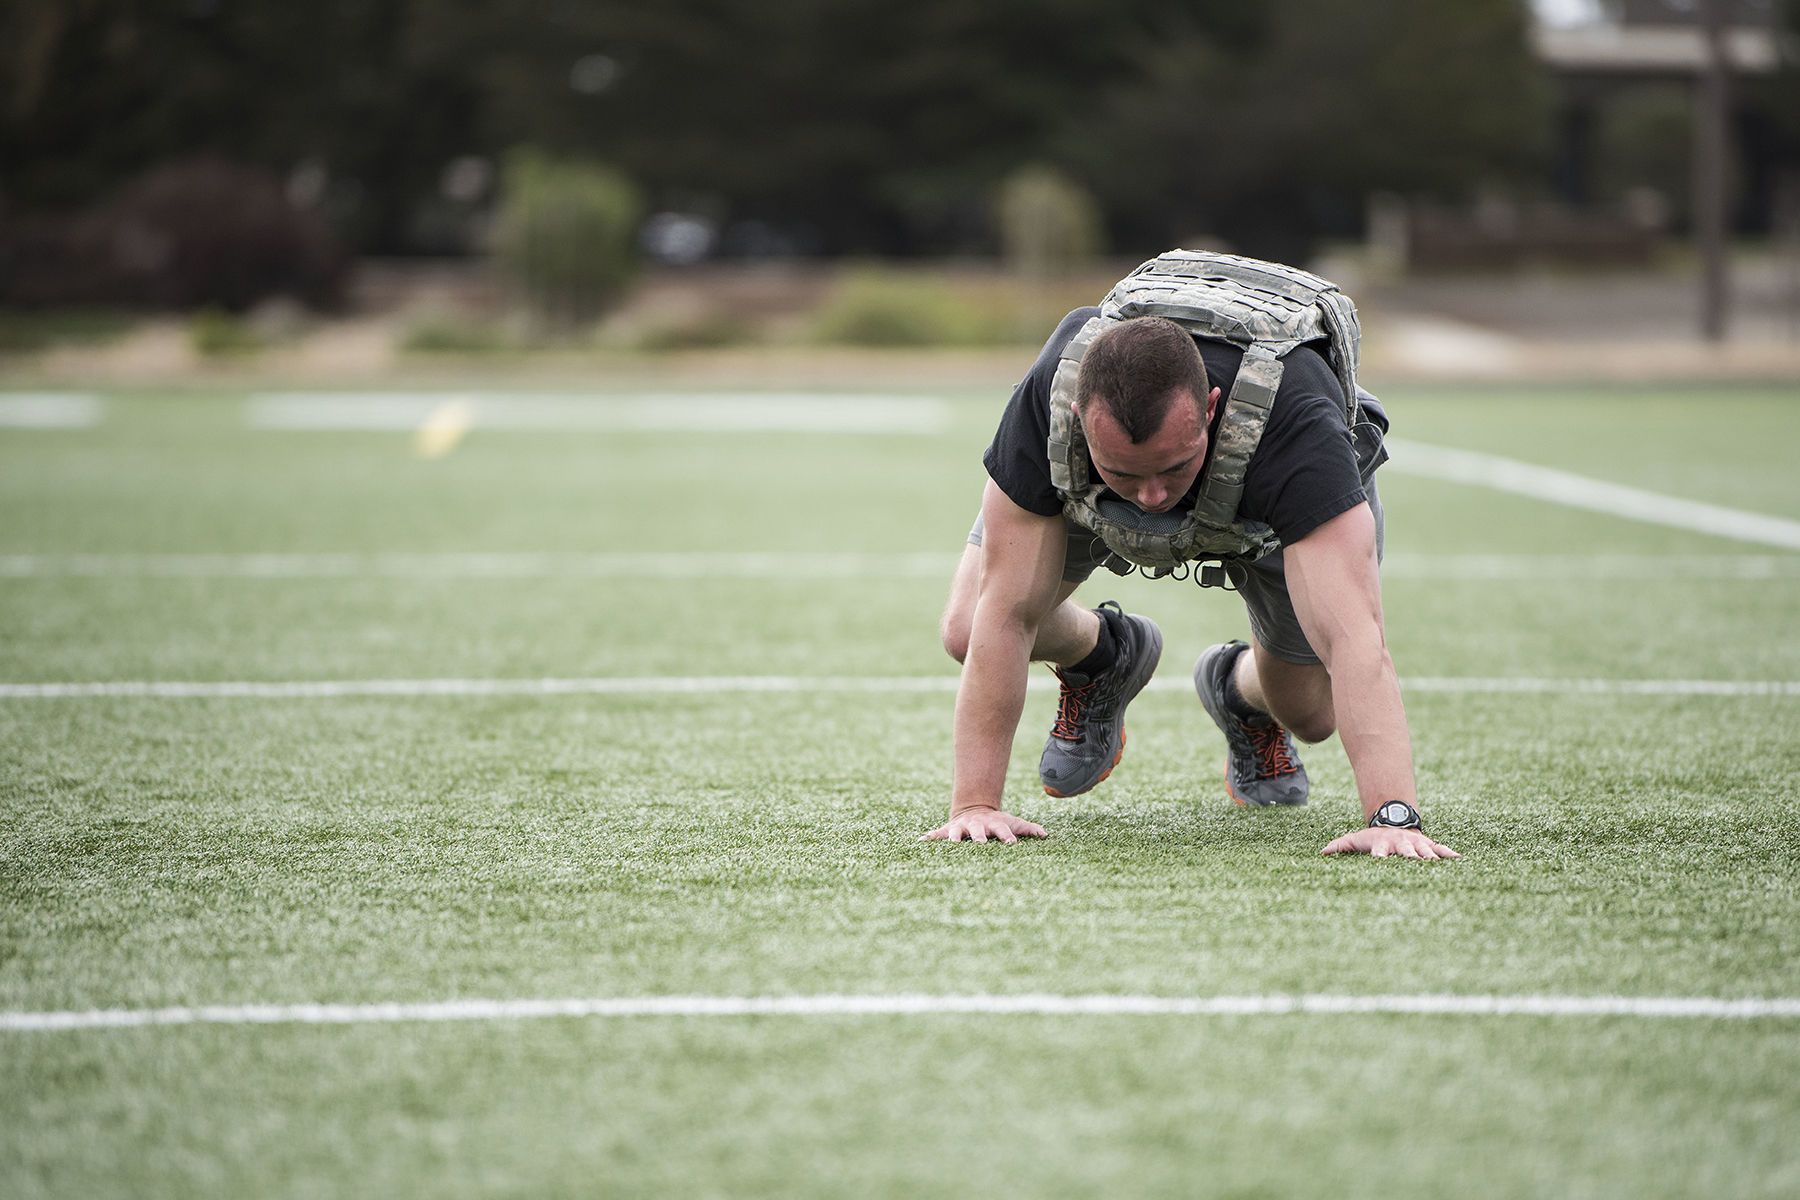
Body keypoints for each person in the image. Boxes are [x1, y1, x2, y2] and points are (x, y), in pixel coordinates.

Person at [928, 252, 1457, 860]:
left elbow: (1355, 639)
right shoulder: (1048, 397)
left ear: (1209, 408)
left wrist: (1394, 817)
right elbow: (1006, 613)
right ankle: (1101, 655)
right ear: (1079, 419)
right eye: (1125, 471)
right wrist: (975, 805)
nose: (1152, 498)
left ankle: (1237, 690)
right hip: (1105, 492)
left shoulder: (1296, 424)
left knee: (1311, 713)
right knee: (969, 626)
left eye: (1172, 466)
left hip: (1263, 504)